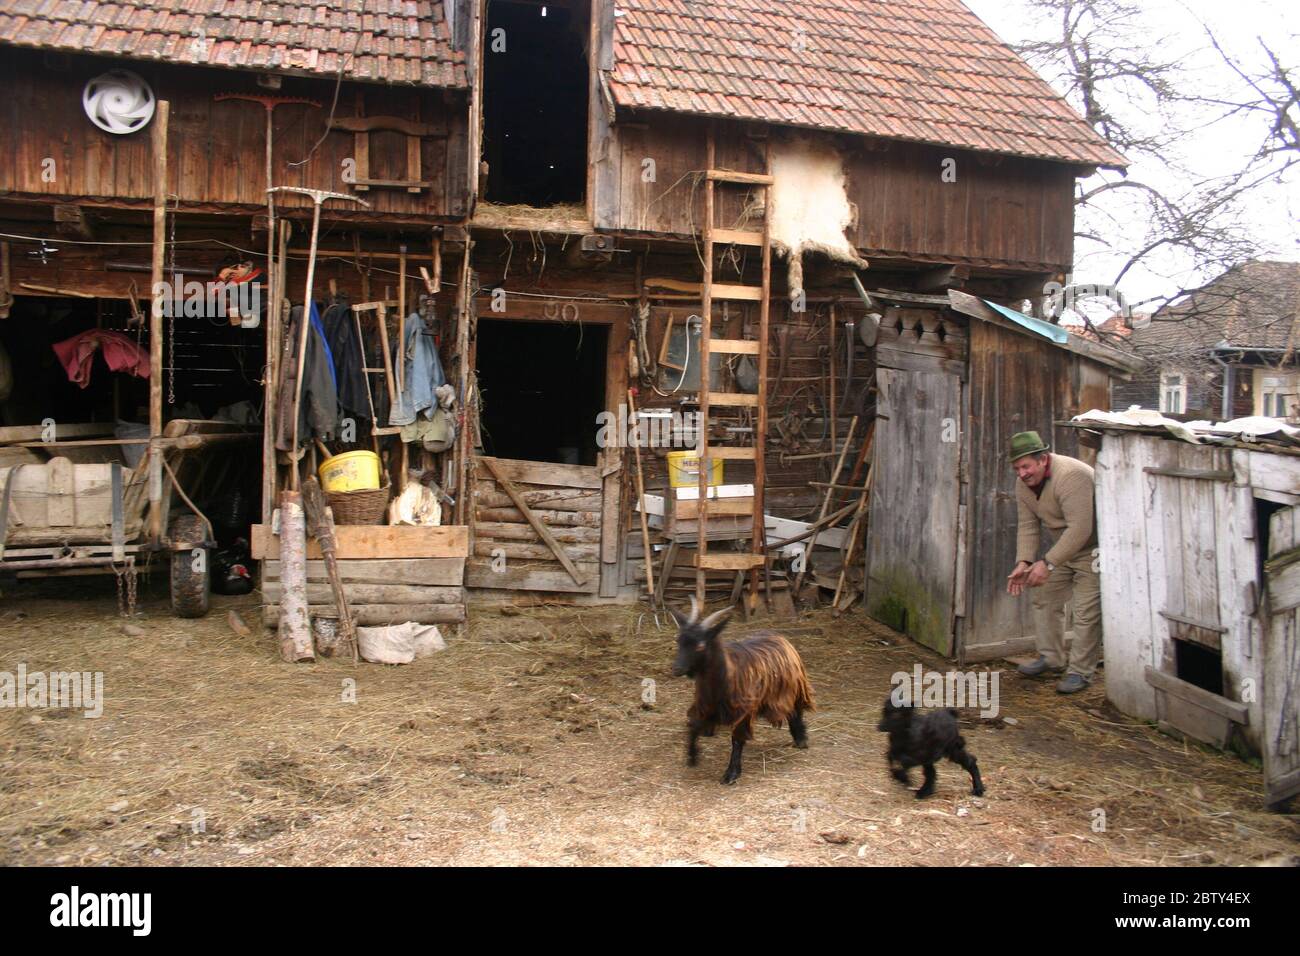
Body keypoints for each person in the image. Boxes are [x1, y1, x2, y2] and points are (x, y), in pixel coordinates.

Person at [1004, 431, 1101, 694]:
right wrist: (1024, 561)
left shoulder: (1071, 476)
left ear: (1043, 459)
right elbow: (1027, 525)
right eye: (1017, 468)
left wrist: (1046, 563)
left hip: (1093, 548)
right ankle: (1053, 658)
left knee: (1086, 612)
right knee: (1044, 594)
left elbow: (1080, 529)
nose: (1022, 473)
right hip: (1063, 548)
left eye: (1026, 466)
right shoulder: (1023, 485)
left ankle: (1080, 672)